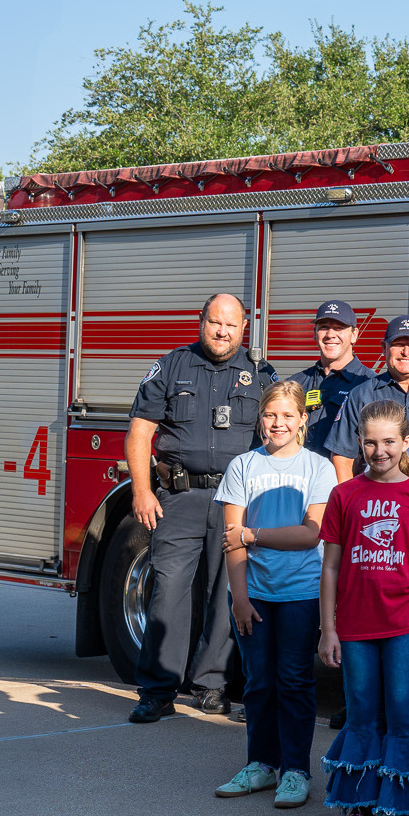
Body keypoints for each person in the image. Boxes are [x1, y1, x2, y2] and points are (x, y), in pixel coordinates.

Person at [126, 292, 279, 722]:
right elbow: (139, 433)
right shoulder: (170, 366)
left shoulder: (261, 375)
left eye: (231, 324)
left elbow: (280, 436)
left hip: (235, 500)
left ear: (244, 327)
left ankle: (211, 684)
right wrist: (142, 491)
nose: (222, 331)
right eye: (215, 322)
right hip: (180, 497)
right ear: (201, 320)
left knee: (224, 592)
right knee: (168, 590)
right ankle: (157, 689)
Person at [317, 401, 409, 816]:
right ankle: (361, 808)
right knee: (361, 715)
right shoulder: (344, 495)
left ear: (406, 443)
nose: (379, 450)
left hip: (406, 624)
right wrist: (328, 628)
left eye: (389, 441)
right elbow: (330, 568)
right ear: (359, 442)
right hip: (354, 626)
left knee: (404, 716)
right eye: (371, 441)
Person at [212, 379, 335, 809]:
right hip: (255, 594)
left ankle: (296, 771)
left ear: (303, 419)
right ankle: (261, 765)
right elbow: (232, 540)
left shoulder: (318, 469)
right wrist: (240, 598)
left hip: (301, 594)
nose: (277, 423)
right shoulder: (243, 466)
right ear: (260, 418)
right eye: (270, 414)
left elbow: (309, 535)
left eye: (287, 415)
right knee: (258, 681)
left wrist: (253, 534)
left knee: (295, 681)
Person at [327, 315, 409, 482]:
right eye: (398, 344)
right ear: (384, 347)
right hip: (376, 499)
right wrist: (348, 500)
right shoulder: (361, 395)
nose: (406, 352)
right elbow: (343, 458)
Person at [291, 300, 373, 458]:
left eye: (339, 328)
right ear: (315, 333)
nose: (330, 335)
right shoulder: (295, 384)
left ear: (354, 335)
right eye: (324, 327)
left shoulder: (370, 385)